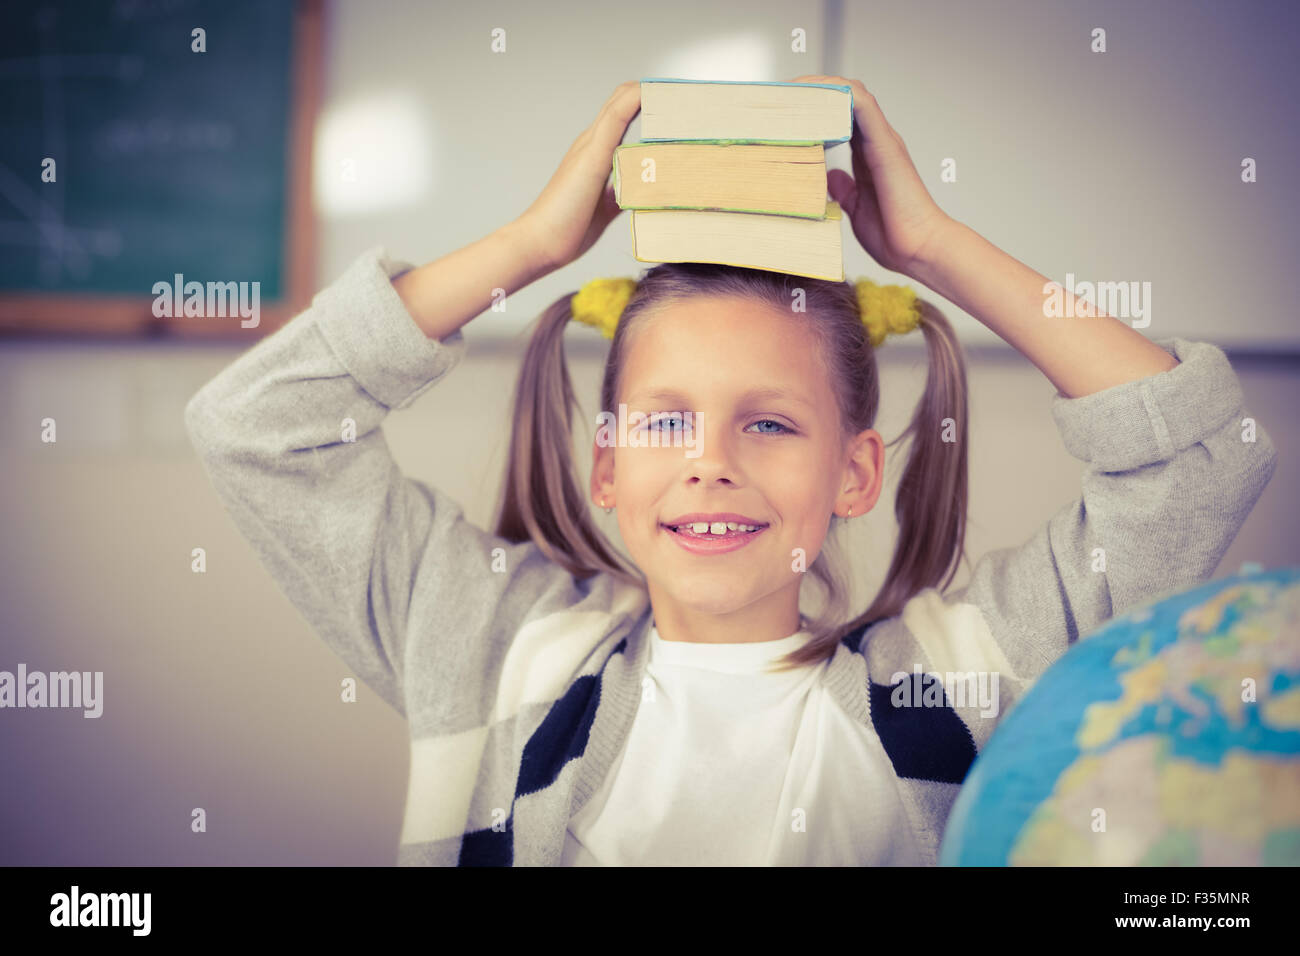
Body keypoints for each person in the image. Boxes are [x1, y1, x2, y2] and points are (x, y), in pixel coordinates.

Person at [184, 77, 1276, 865]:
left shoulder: (976, 667)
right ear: (605, 462)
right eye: (664, 424)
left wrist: (936, 245)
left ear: (854, 475)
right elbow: (257, 425)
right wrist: (527, 245)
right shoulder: (486, 642)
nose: (707, 463)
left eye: (767, 426)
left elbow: (1193, 460)